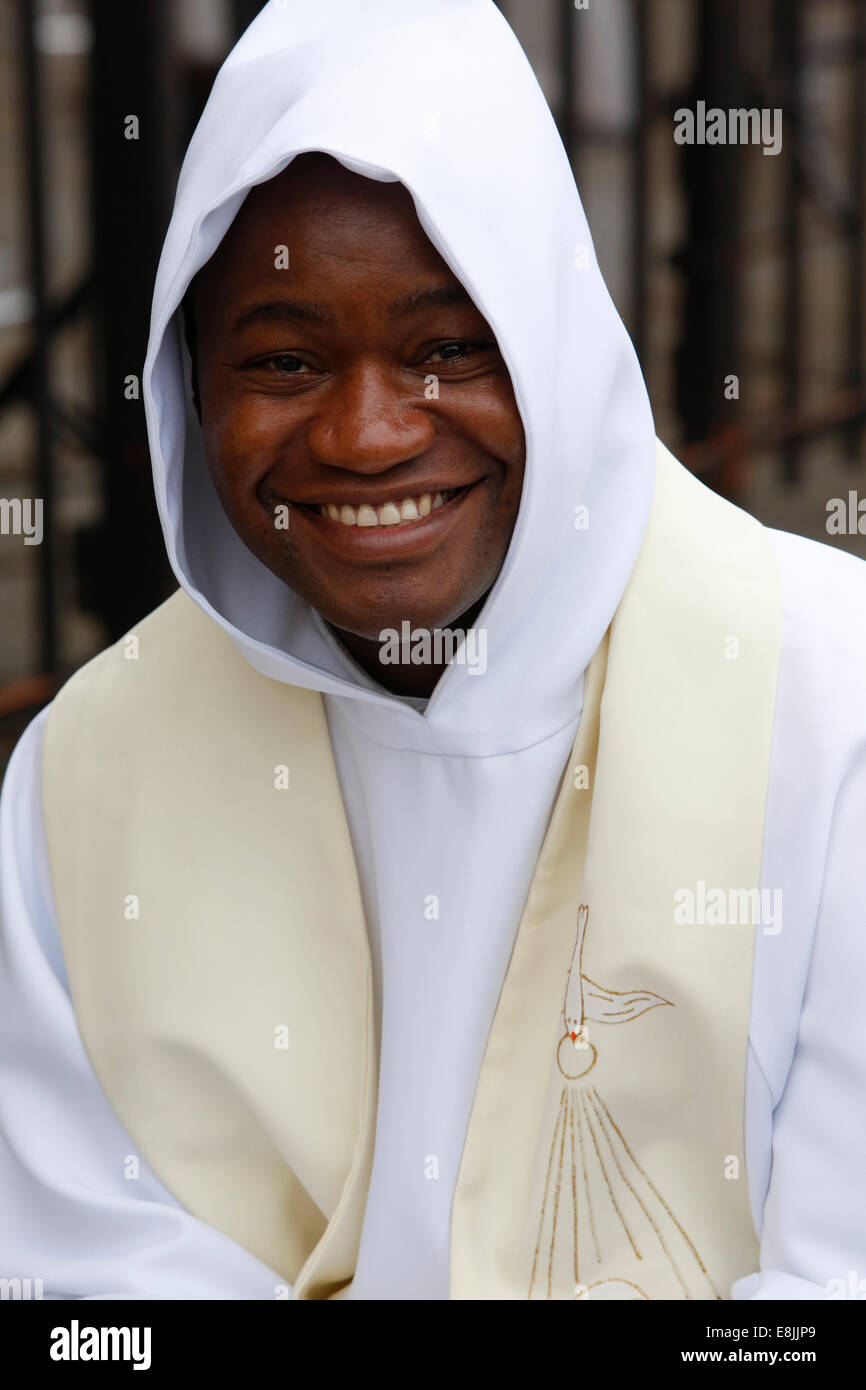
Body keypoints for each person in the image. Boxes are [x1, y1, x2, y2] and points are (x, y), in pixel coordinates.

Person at [2, 0, 865, 1302]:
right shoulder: (88, 771)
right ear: (190, 388)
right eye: (283, 359)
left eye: (448, 347)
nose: (363, 437)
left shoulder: (828, 702)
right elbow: (83, 1273)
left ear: (559, 346)